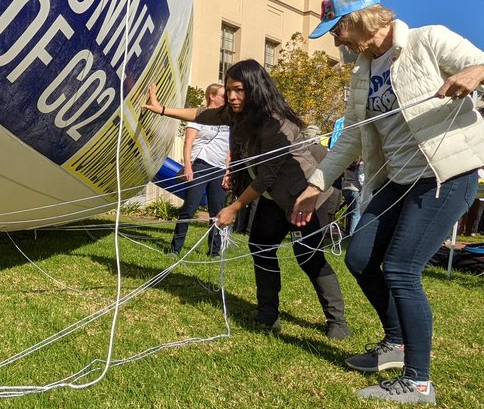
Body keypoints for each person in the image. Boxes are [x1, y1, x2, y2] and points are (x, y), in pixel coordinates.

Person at [292, 0, 484, 406]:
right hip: (396, 180)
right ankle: (396, 345)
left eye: (335, 30)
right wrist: (315, 185)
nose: (335, 40)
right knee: (360, 258)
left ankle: (418, 383)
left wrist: (481, 72)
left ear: (355, 22)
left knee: (400, 269)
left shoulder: (427, 40)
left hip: (445, 175)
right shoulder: (361, 72)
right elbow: (352, 140)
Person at [145, 62, 350, 339]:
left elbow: (265, 176)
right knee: (261, 245)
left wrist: (233, 207)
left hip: (307, 196)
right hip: (273, 196)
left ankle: (337, 321)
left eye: (239, 90)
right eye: (229, 89)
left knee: (308, 256)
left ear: (255, 89)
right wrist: (162, 109)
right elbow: (203, 114)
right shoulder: (237, 115)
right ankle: (268, 314)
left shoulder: (278, 126)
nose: (231, 96)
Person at [169, 83, 230, 256]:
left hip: (219, 168)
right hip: (201, 165)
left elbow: (228, 149)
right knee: (189, 208)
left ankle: (214, 250)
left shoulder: (227, 120)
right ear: (212, 96)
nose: (226, 100)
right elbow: (188, 143)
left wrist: (228, 171)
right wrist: (188, 167)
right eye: (223, 96)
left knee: (217, 212)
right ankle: (175, 248)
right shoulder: (198, 116)